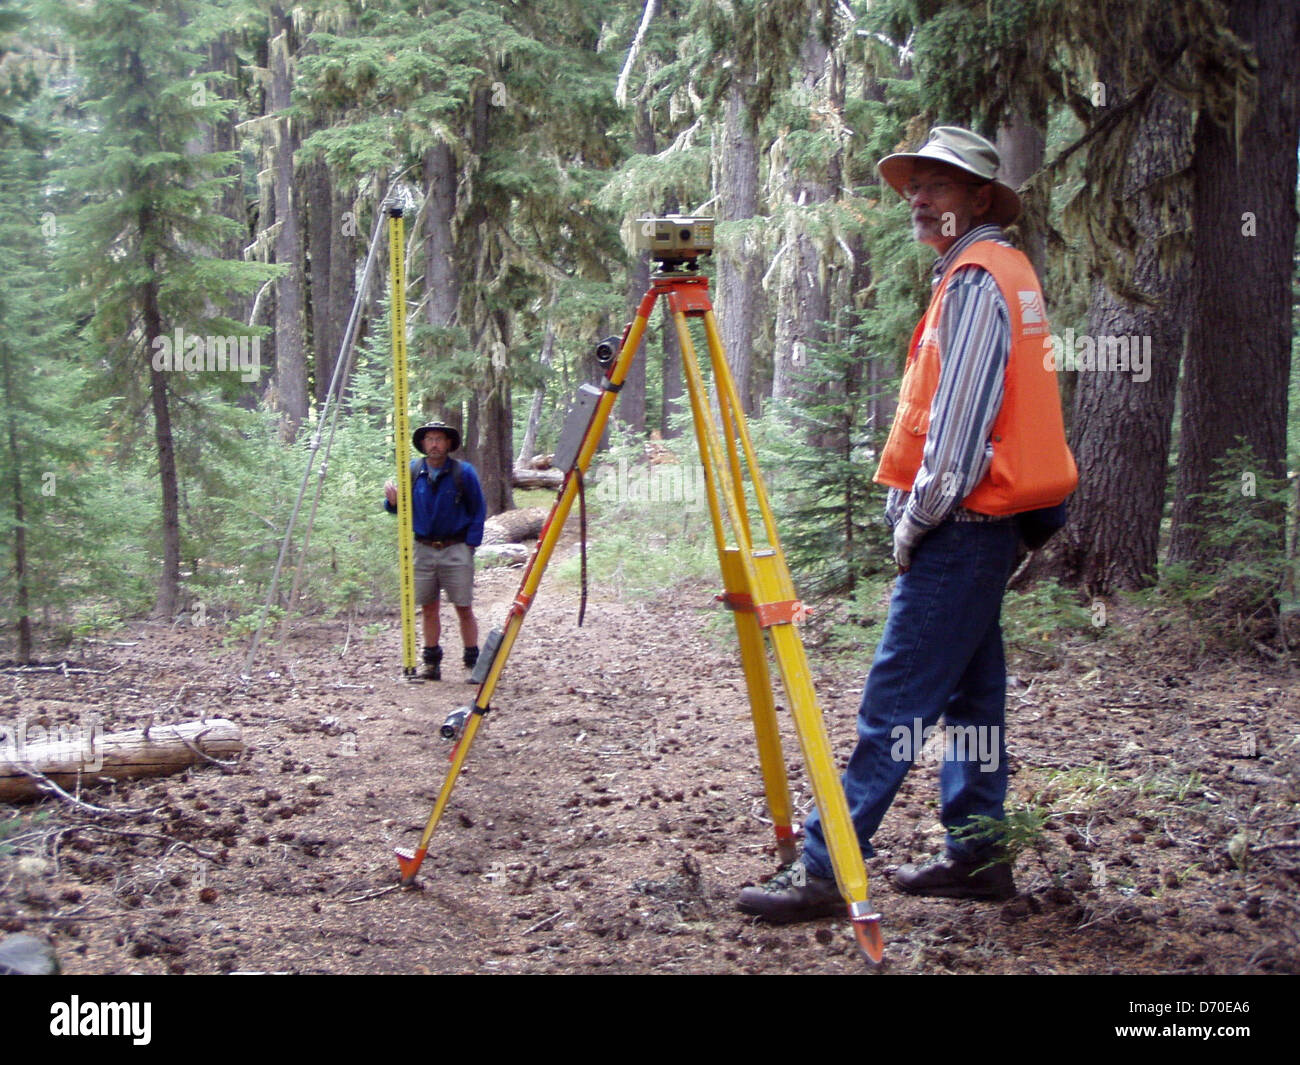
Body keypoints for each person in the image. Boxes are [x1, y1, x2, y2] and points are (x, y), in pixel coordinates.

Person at [739, 126, 1077, 922]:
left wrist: (914, 522)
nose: (919, 200)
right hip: (994, 524)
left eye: (940, 185)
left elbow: (959, 429)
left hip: (962, 524)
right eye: (914, 187)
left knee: (894, 707)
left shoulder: (971, 282)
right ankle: (981, 855)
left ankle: (826, 866)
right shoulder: (1005, 270)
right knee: (973, 701)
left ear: (981, 199)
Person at [384, 422, 487, 681]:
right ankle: (431, 663)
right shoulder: (413, 471)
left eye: (439, 439)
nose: (434, 444)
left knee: (463, 606)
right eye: (429, 439)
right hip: (423, 548)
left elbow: (478, 509)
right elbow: (399, 510)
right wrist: (392, 502)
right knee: (428, 607)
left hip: (456, 548)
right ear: (422, 443)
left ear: (449, 443)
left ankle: (473, 660)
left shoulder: (463, 473)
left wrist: (472, 543)